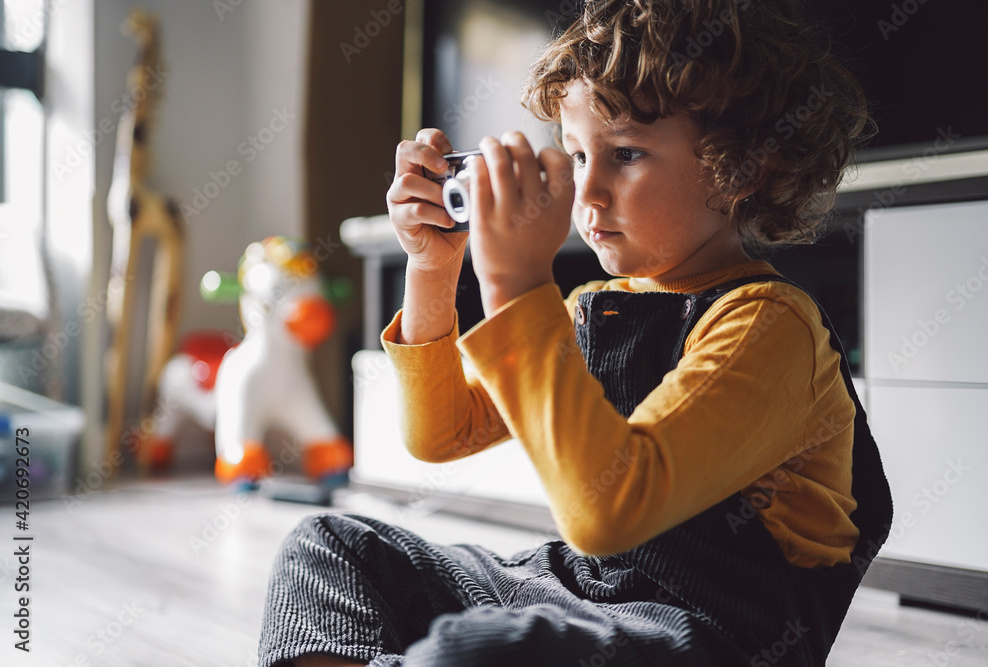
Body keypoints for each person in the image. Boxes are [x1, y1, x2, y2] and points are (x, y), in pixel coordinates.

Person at [258, 1, 893, 665]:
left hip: (707, 632)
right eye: (576, 152)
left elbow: (605, 513)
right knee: (328, 545)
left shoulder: (769, 324)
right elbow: (436, 432)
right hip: (575, 589)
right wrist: (433, 265)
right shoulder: (597, 306)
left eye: (625, 154)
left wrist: (515, 286)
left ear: (743, 167)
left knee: (475, 650)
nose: (587, 193)